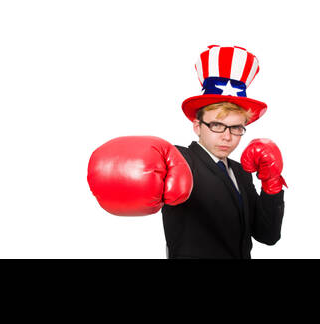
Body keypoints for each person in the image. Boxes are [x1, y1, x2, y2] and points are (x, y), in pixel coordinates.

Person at [88, 45, 285, 259]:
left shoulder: (241, 172)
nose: (227, 136)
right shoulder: (178, 161)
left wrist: (271, 183)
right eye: (217, 125)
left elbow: (268, 235)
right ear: (197, 126)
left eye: (236, 128)